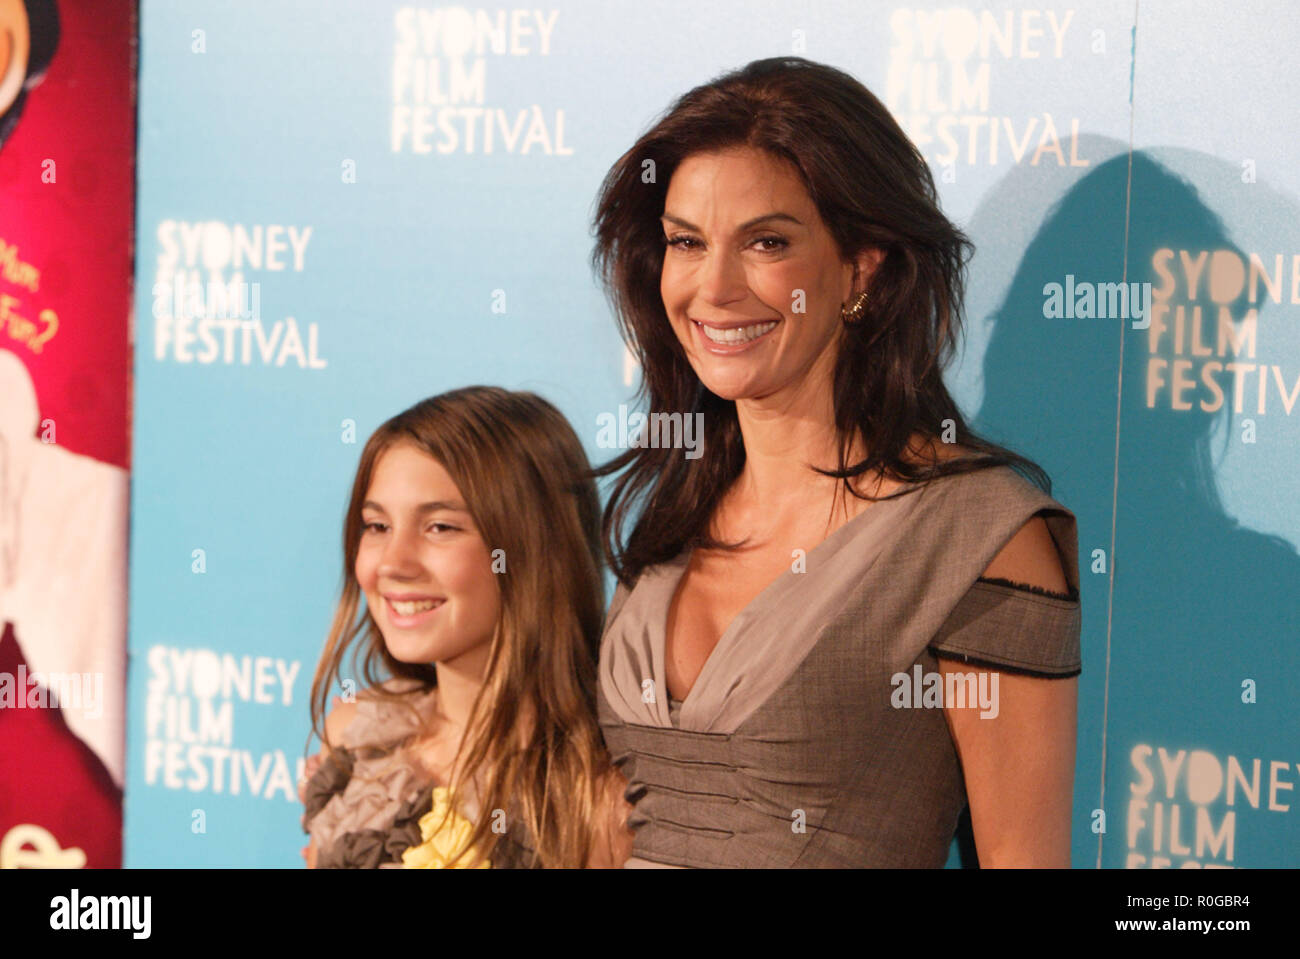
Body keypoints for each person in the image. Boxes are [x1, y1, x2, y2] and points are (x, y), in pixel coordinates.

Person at [589, 57, 1081, 868]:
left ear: (863, 265)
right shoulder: (676, 507)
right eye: (686, 242)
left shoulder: (978, 536)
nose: (713, 286)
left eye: (767, 242)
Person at [300, 387, 633, 868]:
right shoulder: (355, 740)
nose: (393, 563)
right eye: (377, 526)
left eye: (440, 527)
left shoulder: (600, 800)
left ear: (532, 548)